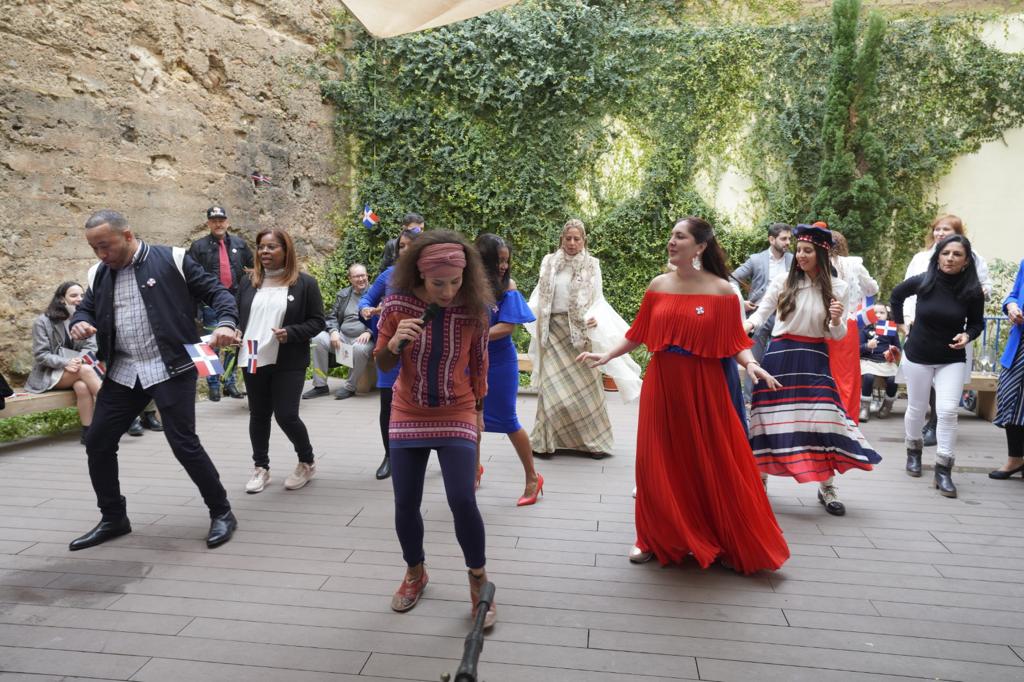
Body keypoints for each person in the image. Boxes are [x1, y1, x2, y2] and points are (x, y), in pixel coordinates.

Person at [580, 217, 790, 573]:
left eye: (680, 236)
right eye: (671, 235)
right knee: (657, 461)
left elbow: (736, 342)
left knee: (711, 459)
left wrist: (751, 365)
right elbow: (639, 332)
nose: (672, 241)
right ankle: (652, 537)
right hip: (662, 384)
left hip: (706, 386)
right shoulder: (658, 285)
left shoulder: (723, 290)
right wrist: (608, 355)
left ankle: (719, 536)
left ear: (700, 246)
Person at [69, 209, 238, 550]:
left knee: (183, 443)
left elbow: (219, 294)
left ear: (128, 236)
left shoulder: (172, 259)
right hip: (123, 371)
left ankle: (222, 512)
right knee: (98, 442)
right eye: (94, 249)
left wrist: (225, 323)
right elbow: (86, 307)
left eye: (106, 246)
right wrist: (80, 322)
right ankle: (114, 517)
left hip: (170, 367)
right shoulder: (100, 274)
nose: (101, 255)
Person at [374, 230, 496, 628]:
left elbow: (479, 362)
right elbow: (382, 364)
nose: (447, 291)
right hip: (408, 408)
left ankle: (479, 578)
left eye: (456, 281)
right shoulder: (396, 304)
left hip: (456, 408)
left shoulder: (474, 307)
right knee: (405, 502)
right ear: (421, 276)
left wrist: (478, 411)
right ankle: (415, 572)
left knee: (462, 498)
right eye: (438, 283)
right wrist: (394, 345)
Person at [744, 224, 881, 516]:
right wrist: (746, 326)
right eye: (799, 250)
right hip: (780, 357)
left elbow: (838, 335)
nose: (801, 256)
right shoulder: (783, 281)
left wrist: (835, 320)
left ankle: (827, 487)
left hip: (814, 358)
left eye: (807, 251)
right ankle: (759, 481)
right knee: (767, 419)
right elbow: (762, 313)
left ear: (821, 253)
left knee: (823, 421)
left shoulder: (838, 289)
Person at [527, 219, 636, 459]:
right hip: (552, 331)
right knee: (551, 389)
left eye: (577, 239)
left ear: (584, 240)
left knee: (586, 391)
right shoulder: (549, 262)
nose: (573, 243)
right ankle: (545, 442)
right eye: (568, 238)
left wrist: (594, 318)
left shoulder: (592, 264)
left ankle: (594, 443)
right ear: (561, 239)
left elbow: (598, 298)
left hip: (580, 334)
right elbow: (539, 293)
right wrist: (528, 315)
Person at [891, 234, 985, 497]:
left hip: (951, 359)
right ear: (938, 256)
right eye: (946, 253)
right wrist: (900, 324)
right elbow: (896, 295)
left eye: (957, 255)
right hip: (918, 354)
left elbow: (977, 323)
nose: (950, 258)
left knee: (946, 412)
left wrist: (968, 335)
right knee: (917, 408)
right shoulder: (924, 281)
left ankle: (943, 470)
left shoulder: (972, 291)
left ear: (966, 261)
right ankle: (914, 452)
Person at [237, 228, 326, 494]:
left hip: (288, 358)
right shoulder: (248, 281)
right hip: (252, 355)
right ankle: (260, 468)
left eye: (272, 247)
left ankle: (307, 461)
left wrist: (292, 333)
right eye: (261, 247)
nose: (264, 251)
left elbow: (317, 321)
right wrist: (235, 331)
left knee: (286, 415)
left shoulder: (305, 283)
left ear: (286, 251)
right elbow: (238, 313)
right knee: (259, 414)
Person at [903, 215, 992, 445]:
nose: (941, 233)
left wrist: (968, 296)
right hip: (921, 330)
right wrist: (905, 320)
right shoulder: (921, 258)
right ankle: (916, 441)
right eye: (937, 229)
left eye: (947, 230)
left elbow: (984, 289)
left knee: (947, 402)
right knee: (919, 397)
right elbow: (904, 291)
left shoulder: (973, 258)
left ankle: (937, 428)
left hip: (953, 332)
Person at [475, 233, 541, 505]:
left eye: (506, 261)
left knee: (508, 421)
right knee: (470, 420)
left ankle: (533, 477)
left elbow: (507, 327)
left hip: (500, 364)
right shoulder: (468, 286)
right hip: (471, 362)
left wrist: (475, 336)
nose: (503, 266)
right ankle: (473, 469)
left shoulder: (508, 286)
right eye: (498, 261)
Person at [360, 228, 423, 479]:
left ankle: (423, 451)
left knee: (420, 402)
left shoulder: (430, 276)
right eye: (401, 246)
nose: (404, 251)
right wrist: (366, 310)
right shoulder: (388, 275)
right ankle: (390, 455)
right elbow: (367, 299)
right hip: (391, 347)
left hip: (421, 349)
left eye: (409, 246)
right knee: (388, 404)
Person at [187, 206, 254, 401]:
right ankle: (213, 385)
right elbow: (192, 278)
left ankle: (229, 382)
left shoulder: (240, 244)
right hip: (210, 303)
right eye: (214, 220)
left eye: (221, 220)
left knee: (234, 343)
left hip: (235, 301)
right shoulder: (198, 247)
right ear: (208, 223)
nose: (218, 224)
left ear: (227, 222)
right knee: (212, 344)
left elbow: (252, 269)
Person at [26, 281, 100, 444]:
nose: (79, 299)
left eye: (82, 295)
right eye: (73, 296)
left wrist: (78, 360)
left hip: (76, 370)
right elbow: (41, 354)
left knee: (82, 386)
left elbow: (91, 346)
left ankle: (87, 433)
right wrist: (66, 362)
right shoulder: (43, 322)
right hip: (50, 373)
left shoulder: (86, 319)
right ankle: (116, 412)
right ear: (61, 299)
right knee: (86, 370)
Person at [730, 223, 794, 400]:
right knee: (754, 358)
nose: (787, 242)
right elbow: (732, 278)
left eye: (789, 238)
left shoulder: (794, 260)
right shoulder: (756, 259)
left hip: (785, 315)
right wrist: (742, 301)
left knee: (781, 358)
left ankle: (778, 397)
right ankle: (749, 399)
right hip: (760, 315)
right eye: (783, 238)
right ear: (771, 239)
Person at [827, 228, 879, 423]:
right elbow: (873, 288)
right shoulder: (854, 264)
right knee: (847, 374)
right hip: (847, 323)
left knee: (827, 371)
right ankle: (847, 419)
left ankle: (828, 416)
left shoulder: (818, 263)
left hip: (823, 324)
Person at [304, 263, 373, 400]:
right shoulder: (343, 294)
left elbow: (384, 317)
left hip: (365, 338)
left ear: (367, 276)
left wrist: (370, 332)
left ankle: (350, 387)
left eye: (363, 275)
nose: (361, 279)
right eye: (356, 276)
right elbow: (332, 316)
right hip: (342, 337)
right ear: (350, 279)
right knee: (318, 339)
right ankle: (320, 385)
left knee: (359, 348)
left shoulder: (375, 294)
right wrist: (334, 331)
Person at [990, 259, 1024, 479]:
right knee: (1010, 398)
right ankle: (1016, 459)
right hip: (1019, 343)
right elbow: (1013, 294)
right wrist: (1011, 307)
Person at [858, 303, 902, 422]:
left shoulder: (891, 329)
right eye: (875, 313)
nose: (878, 315)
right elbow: (857, 348)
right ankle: (865, 407)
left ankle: (887, 405)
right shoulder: (865, 329)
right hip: (868, 361)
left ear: (887, 315)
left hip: (886, 362)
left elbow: (898, 348)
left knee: (894, 379)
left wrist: (892, 351)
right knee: (868, 377)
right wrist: (867, 345)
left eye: (882, 313)